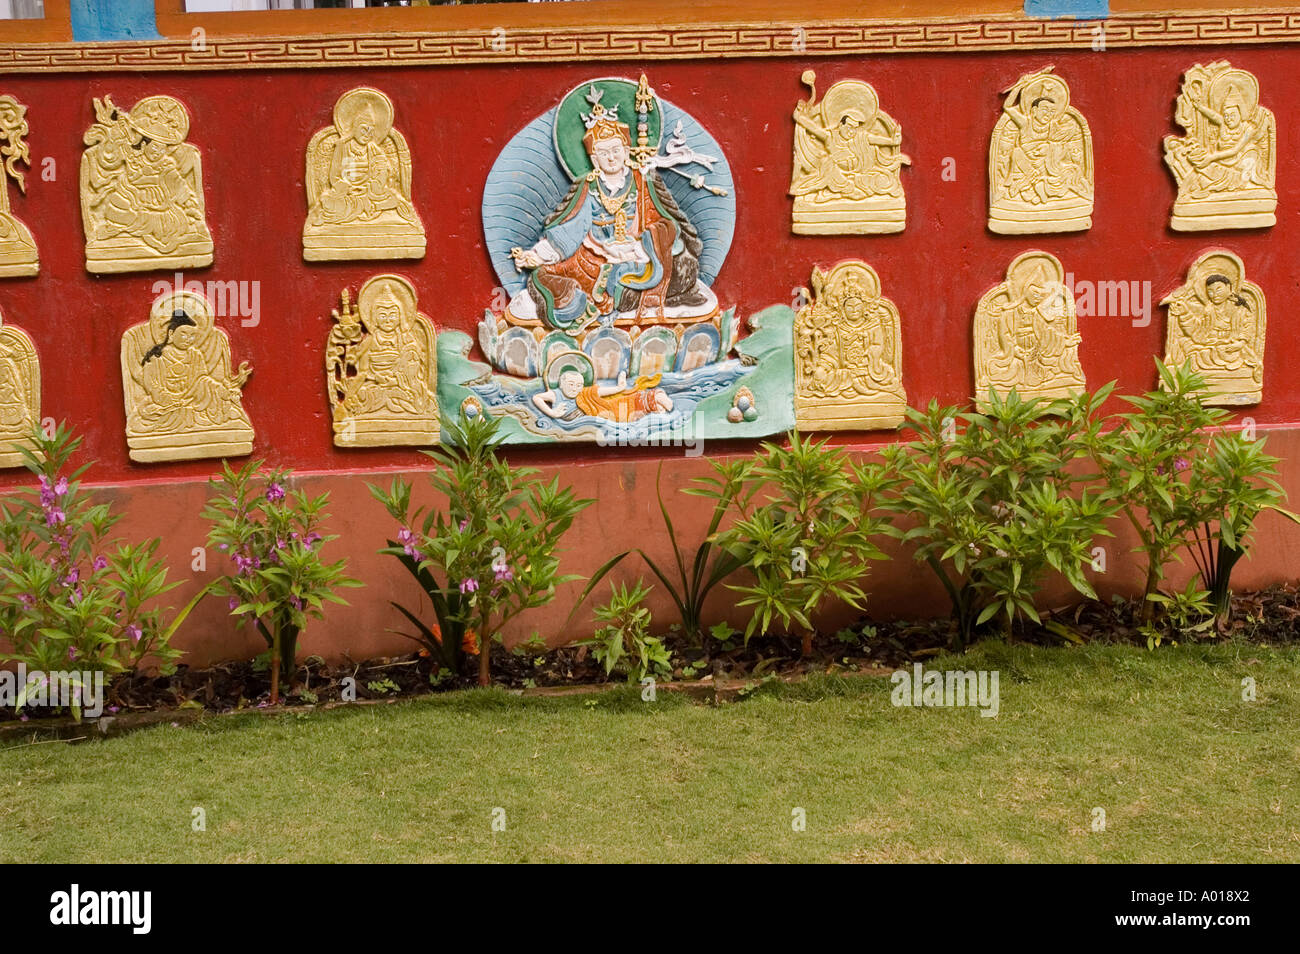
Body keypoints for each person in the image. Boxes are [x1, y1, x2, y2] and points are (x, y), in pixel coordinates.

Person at [511, 99, 704, 330]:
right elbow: (571, 227)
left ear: (626, 151)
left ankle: (631, 295)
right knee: (543, 276)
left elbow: (666, 219)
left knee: (685, 266)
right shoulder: (589, 186)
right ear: (594, 160)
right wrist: (539, 254)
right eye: (603, 153)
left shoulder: (643, 180)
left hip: (639, 254)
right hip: (595, 256)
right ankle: (587, 306)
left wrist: (644, 244)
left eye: (615, 150)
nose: (611, 158)